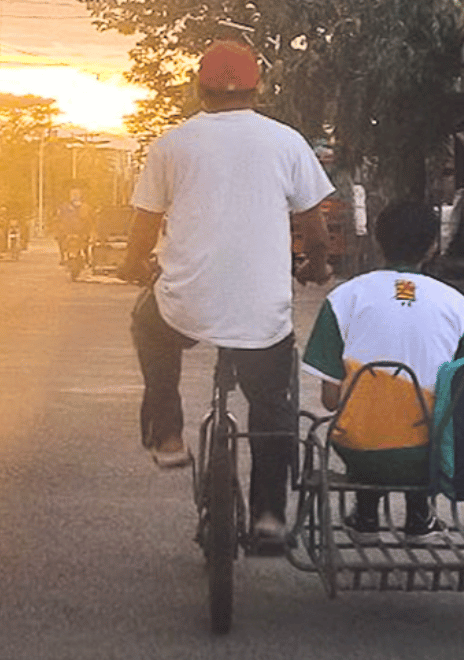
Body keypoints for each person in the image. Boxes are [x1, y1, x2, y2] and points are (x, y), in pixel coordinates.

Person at [117, 39, 334, 550]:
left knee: (149, 325)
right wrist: (315, 267)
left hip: (185, 304)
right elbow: (316, 232)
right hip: (261, 313)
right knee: (271, 402)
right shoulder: (287, 142)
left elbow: (143, 228)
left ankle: (169, 435)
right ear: (259, 89)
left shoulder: (171, 144)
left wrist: (131, 265)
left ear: (199, 88)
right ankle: (268, 517)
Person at [301, 200, 464, 543]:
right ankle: (420, 513)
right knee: (432, 417)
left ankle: (366, 512)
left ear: (376, 241)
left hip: (359, 448)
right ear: (433, 246)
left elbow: (329, 401)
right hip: (428, 452)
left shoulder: (345, 298)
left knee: (368, 422)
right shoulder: (458, 305)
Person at [53, 184, 92, 264]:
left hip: (81, 232)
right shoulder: (64, 207)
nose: (75, 195)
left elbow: (90, 221)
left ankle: (86, 257)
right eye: (73, 194)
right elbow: (58, 219)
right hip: (68, 232)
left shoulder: (86, 207)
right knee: (61, 239)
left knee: (85, 242)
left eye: (77, 193)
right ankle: (63, 256)